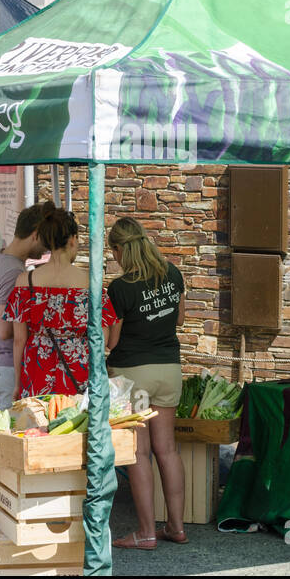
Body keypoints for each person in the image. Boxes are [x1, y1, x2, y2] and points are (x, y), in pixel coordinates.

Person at [105, 217, 187, 550]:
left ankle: (146, 533)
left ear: (119, 249)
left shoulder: (119, 288)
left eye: (113, 252)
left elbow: (112, 341)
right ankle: (176, 527)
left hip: (133, 376)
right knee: (167, 449)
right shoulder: (173, 273)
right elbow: (180, 319)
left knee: (139, 452)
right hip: (169, 370)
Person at [4, 207, 116, 399]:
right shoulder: (91, 283)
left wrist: (17, 384)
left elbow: (19, 340)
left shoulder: (24, 282)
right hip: (78, 371)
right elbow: (101, 339)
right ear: (72, 239)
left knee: (38, 417)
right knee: (73, 417)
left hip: (36, 370)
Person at [0, 202, 53, 410]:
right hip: (10, 366)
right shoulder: (14, 272)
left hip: (0, 363)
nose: (47, 248)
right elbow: (4, 330)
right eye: (46, 240)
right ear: (35, 234)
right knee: (16, 426)